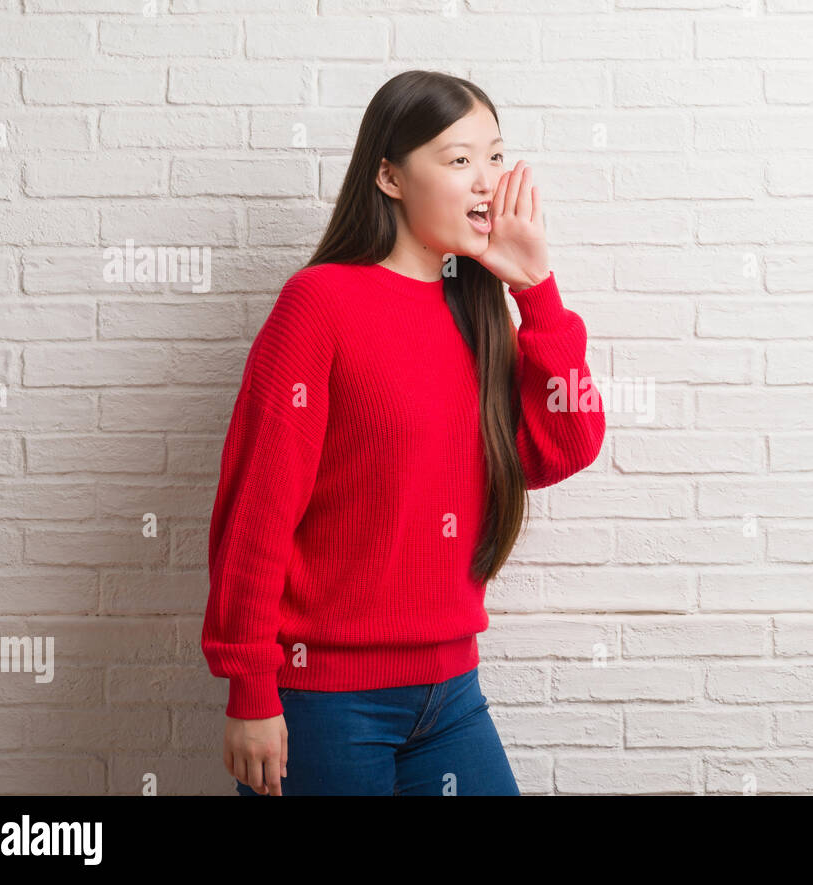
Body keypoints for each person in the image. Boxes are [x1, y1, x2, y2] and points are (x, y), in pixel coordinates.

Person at [201, 70, 606, 796]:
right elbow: (259, 507)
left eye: (494, 156)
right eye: (458, 161)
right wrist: (250, 688)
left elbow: (564, 445)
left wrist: (536, 290)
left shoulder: (477, 311)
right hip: (324, 701)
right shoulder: (319, 303)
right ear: (389, 175)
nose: (486, 181)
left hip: (451, 693)